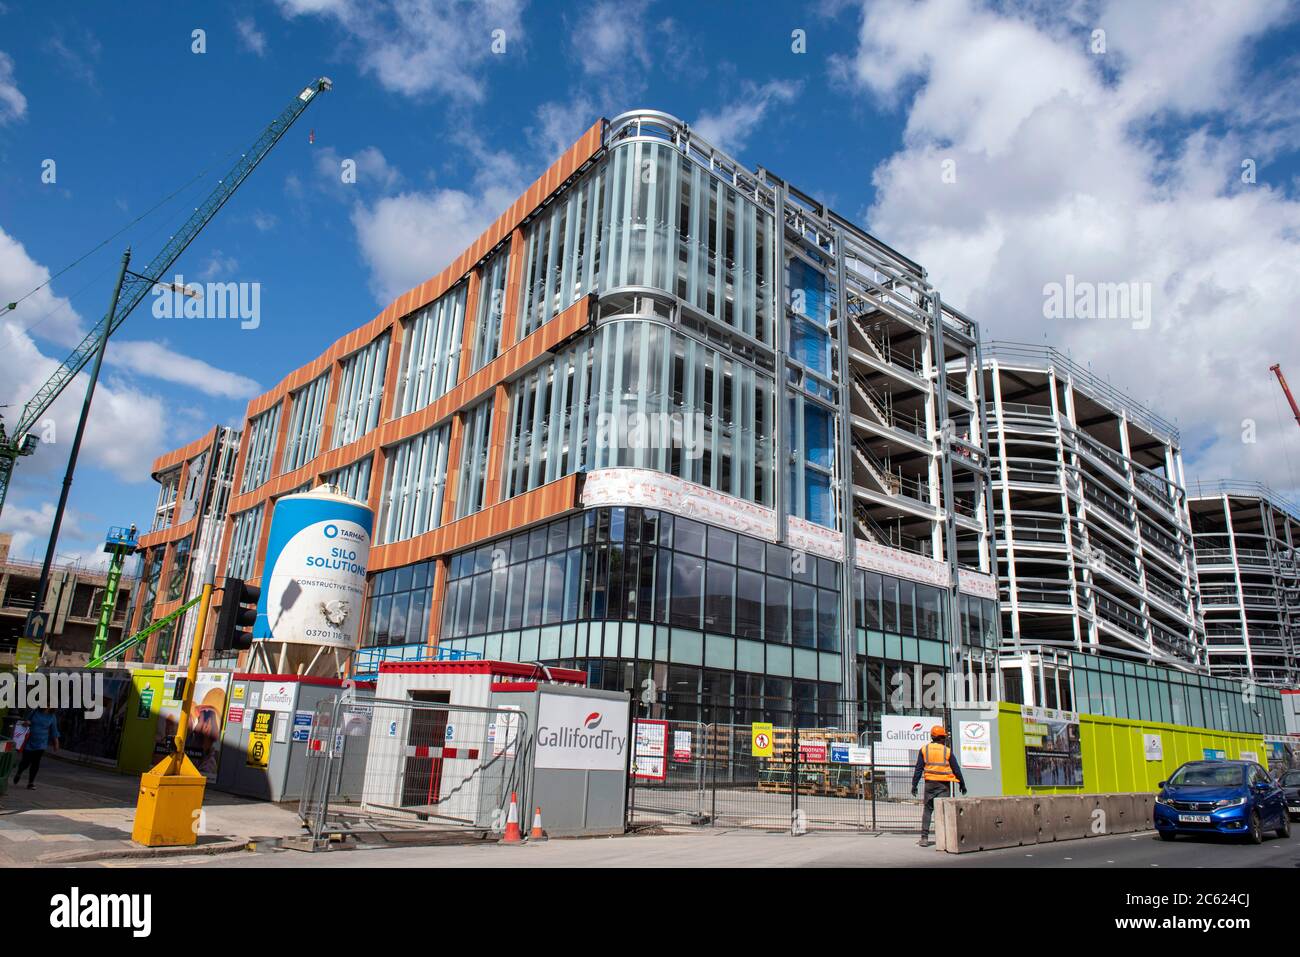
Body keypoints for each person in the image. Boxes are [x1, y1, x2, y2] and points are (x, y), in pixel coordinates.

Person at [911, 724, 966, 847]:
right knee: (943, 811)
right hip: (944, 785)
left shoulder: (924, 750)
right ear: (940, 738)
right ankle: (945, 838)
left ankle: (924, 838)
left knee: (928, 810)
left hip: (930, 784)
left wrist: (914, 785)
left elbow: (918, 769)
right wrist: (962, 784)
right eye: (944, 737)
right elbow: (956, 769)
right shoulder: (947, 751)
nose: (945, 739)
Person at [12, 706, 60, 790]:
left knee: (36, 762)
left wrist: (56, 743)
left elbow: (54, 730)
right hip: (29, 741)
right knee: (25, 762)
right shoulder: (35, 712)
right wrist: (27, 722)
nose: (48, 706)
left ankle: (31, 783)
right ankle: (19, 772)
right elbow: (24, 722)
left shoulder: (52, 716)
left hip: (41, 743)